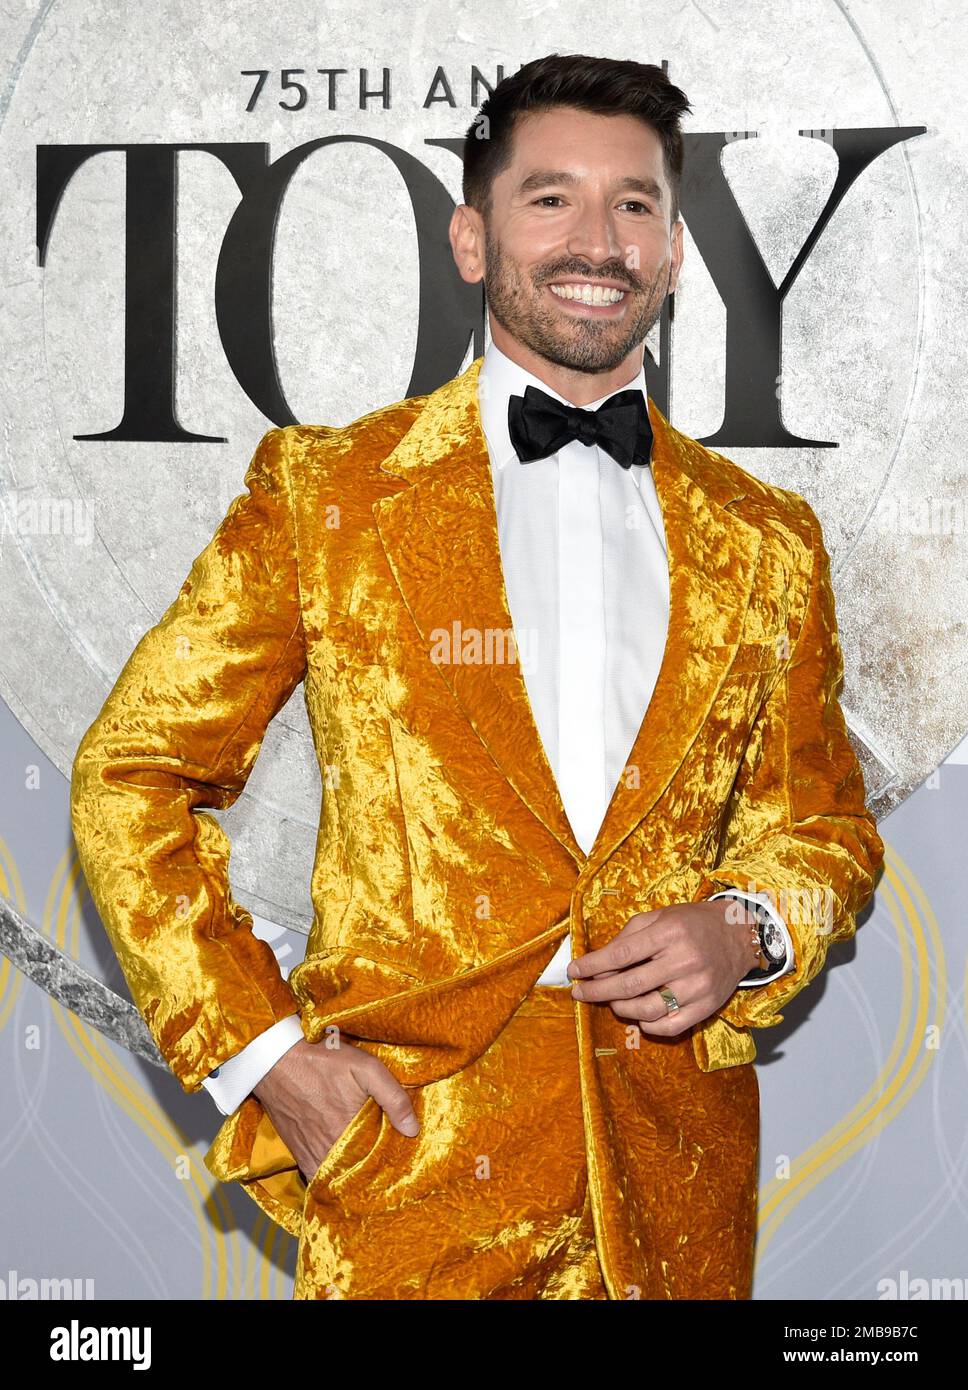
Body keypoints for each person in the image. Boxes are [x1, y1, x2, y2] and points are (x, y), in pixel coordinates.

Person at [69, 53, 884, 1300]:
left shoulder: (766, 538)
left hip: (670, 1207)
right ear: (469, 237)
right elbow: (132, 778)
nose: (595, 241)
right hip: (408, 1181)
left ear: (671, 250)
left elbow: (820, 827)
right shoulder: (325, 492)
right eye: (548, 198)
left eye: (634, 206)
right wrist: (266, 1057)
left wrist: (746, 928)